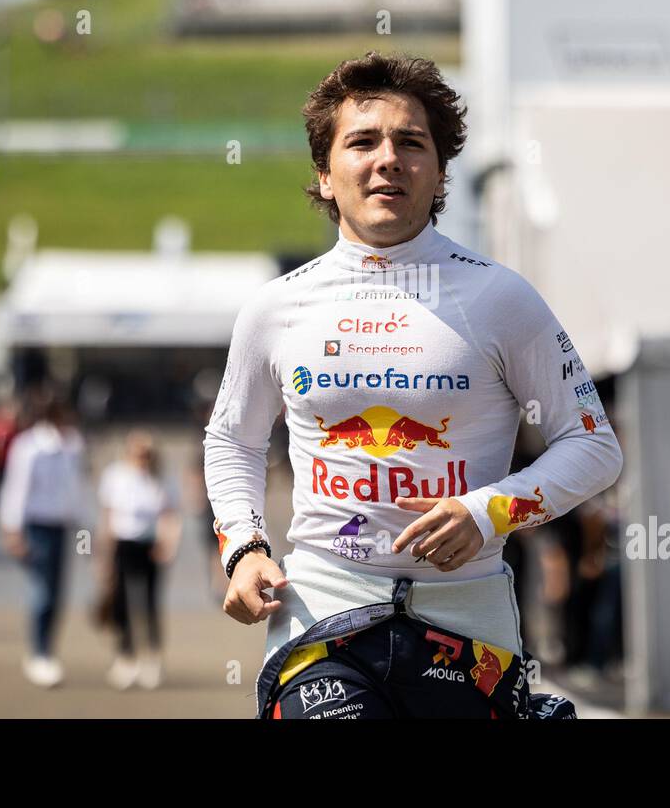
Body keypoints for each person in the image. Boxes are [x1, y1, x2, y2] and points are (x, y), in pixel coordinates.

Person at [203, 52, 624, 718]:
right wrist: (245, 548)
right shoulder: (274, 308)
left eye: (411, 142)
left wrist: (491, 511)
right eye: (363, 141)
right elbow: (232, 440)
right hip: (321, 620)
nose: (388, 158)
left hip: (467, 627)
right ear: (325, 172)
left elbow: (595, 446)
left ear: (438, 171)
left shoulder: (500, 298)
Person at [0, 388, 87, 688]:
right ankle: (39, 652)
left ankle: (47, 649)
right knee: (42, 591)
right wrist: (13, 529)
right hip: (37, 525)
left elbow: (74, 488)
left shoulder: (72, 444)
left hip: (60, 525)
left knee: (56, 592)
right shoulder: (29, 447)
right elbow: (16, 489)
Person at [98, 430, 181, 690]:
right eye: (138, 453)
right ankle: (126, 656)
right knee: (121, 602)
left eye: (147, 454)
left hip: (151, 544)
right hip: (124, 543)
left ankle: (152, 659)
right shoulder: (115, 476)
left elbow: (170, 515)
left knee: (150, 603)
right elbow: (107, 516)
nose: (142, 458)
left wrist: (168, 544)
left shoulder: (161, 479)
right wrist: (103, 555)